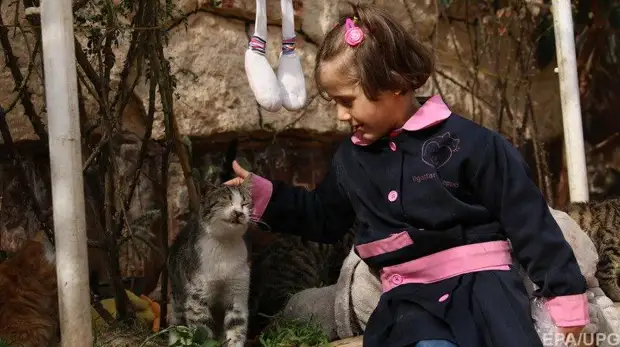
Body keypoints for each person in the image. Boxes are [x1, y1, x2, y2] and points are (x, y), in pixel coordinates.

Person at [226, 3, 589, 347]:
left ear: (395, 83)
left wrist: (564, 296)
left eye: (348, 101)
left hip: (485, 296)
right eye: (334, 102)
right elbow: (323, 216)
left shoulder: (474, 144)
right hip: (409, 308)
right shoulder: (351, 159)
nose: (340, 116)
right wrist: (261, 195)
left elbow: (529, 220)